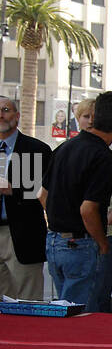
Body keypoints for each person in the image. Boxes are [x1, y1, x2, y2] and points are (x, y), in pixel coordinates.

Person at [39, 91, 112, 310]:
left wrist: (61, 222)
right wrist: (102, 242)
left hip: (55, 241)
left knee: (66, 309)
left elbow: (43, 195)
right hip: (81, 243)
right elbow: (88, 209)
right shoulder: (103, 156)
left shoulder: (64, 148)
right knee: (82, 314)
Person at [75, 98, 112, 312]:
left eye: (93, 116)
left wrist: (102, 224)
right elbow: (45, 195)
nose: (90, 121)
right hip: (78, 234)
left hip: (108, 231)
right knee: (79, 301)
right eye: (86, 116)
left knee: (100, 295)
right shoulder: (67, 149)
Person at [0, 96, 52, 301]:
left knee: (28, 300)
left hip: (22, 235)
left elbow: (43, 194)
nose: (1, 114)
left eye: (6, 109)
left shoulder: (35, 149)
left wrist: (12, 189)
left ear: (17, 116)